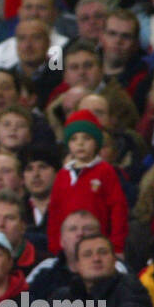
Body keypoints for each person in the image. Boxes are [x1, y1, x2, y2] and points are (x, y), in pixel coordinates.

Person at [46, 108, 128, 255]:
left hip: (98, 246)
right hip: (67, 250)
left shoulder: (105, 171)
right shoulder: (62, 175)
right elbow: (54, 212)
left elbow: (118, 208)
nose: (80, 144)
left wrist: (117, 245)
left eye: (86, 138)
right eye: (74, 139)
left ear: (96, 142)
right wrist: (54, 246)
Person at [46, 234, 154, 307]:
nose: (96, 259)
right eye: (87, 254)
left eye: (103, 252)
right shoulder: (62, 298)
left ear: (114, 260)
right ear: (77, 265)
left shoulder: (131, 288)